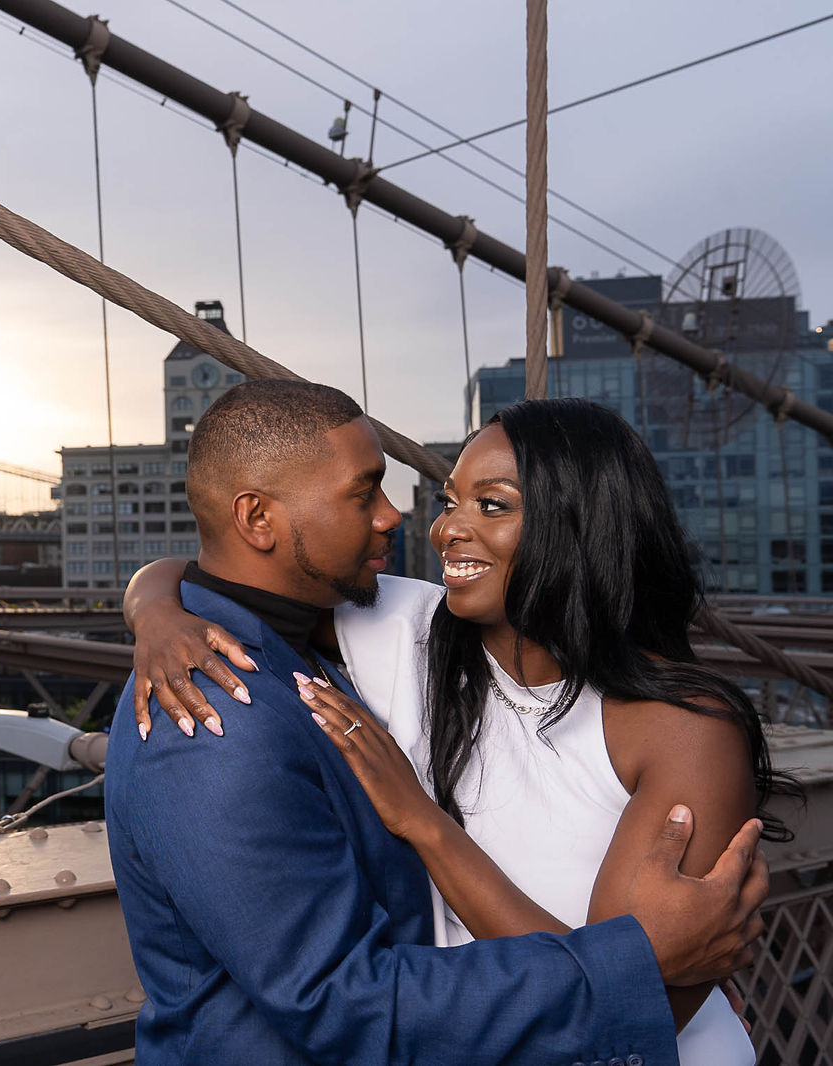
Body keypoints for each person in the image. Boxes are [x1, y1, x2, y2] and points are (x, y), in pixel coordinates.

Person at [121, 394, 796, 1064]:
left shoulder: (684, 728)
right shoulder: (407, 633)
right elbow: (229, 572)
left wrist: (425, 822)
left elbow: (643, 1001)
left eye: (492, 504)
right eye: (450, 501)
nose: (436, 528)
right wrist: (154, 610)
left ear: (582, 520)